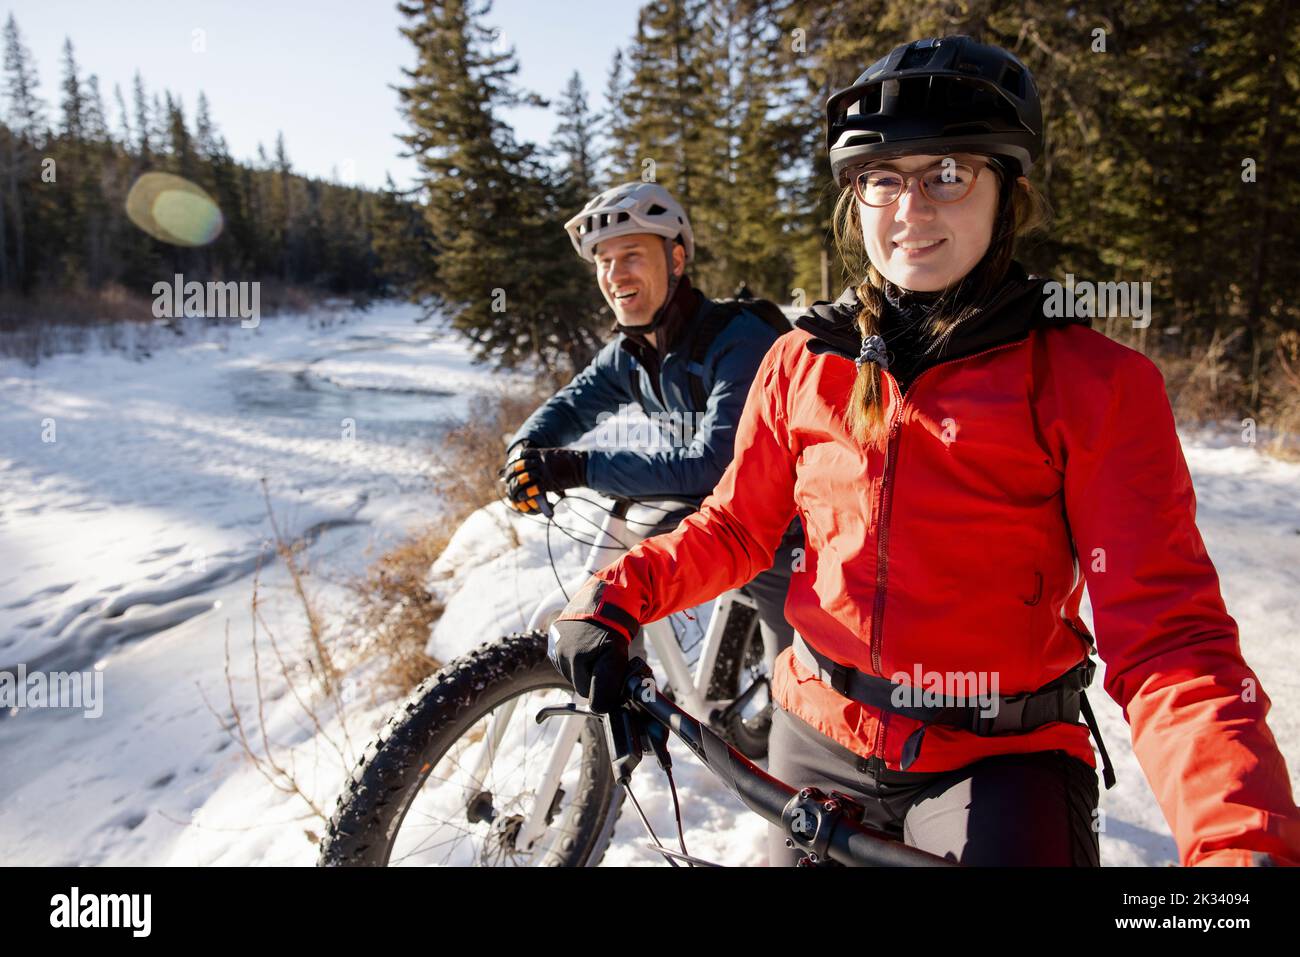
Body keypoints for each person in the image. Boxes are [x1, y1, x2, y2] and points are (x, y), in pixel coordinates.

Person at [547, 35, 1300, 867]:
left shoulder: (1092, 384)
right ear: (855, 198)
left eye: (949, 173)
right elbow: (736, 528)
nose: (911, 210)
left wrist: (1238, 836)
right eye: (883, 179)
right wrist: (617, 596)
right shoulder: (804, 361)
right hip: (814, 744)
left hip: (996, 759)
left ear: (1007, 192)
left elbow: (1167, 642)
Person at [502, 181, 802, 691]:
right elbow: (572, 404)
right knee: (621, 571)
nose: (615, 274)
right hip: (715, 521)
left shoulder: (741, 339)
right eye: (603, 260)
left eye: (632, 255)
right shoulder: (632, 353)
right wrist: (524, 453)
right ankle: (628, 685)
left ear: (677, 259)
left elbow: (714, 464)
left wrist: (578, 467)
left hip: (784, 532)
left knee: (792, 693)